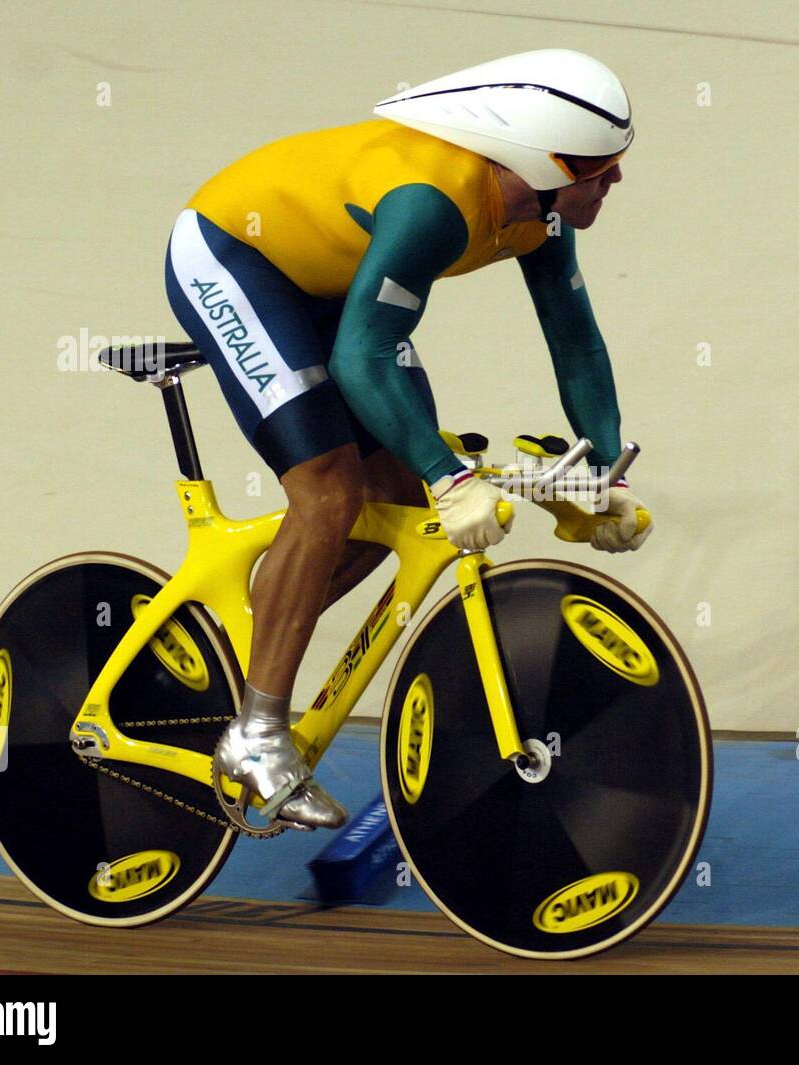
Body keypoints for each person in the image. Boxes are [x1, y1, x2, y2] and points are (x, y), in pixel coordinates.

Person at [163, 48, 653, 831]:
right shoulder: (436, 203)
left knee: (393, 495)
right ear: (539, 159)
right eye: (599, 165)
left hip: (328, 282)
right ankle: (255, 736)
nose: (616, 180)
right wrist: (452, 476)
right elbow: (361, 353)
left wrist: (607, 465)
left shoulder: (543, 214)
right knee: (328, 491)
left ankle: (245, 651)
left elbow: (576, 340)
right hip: (233, 252)